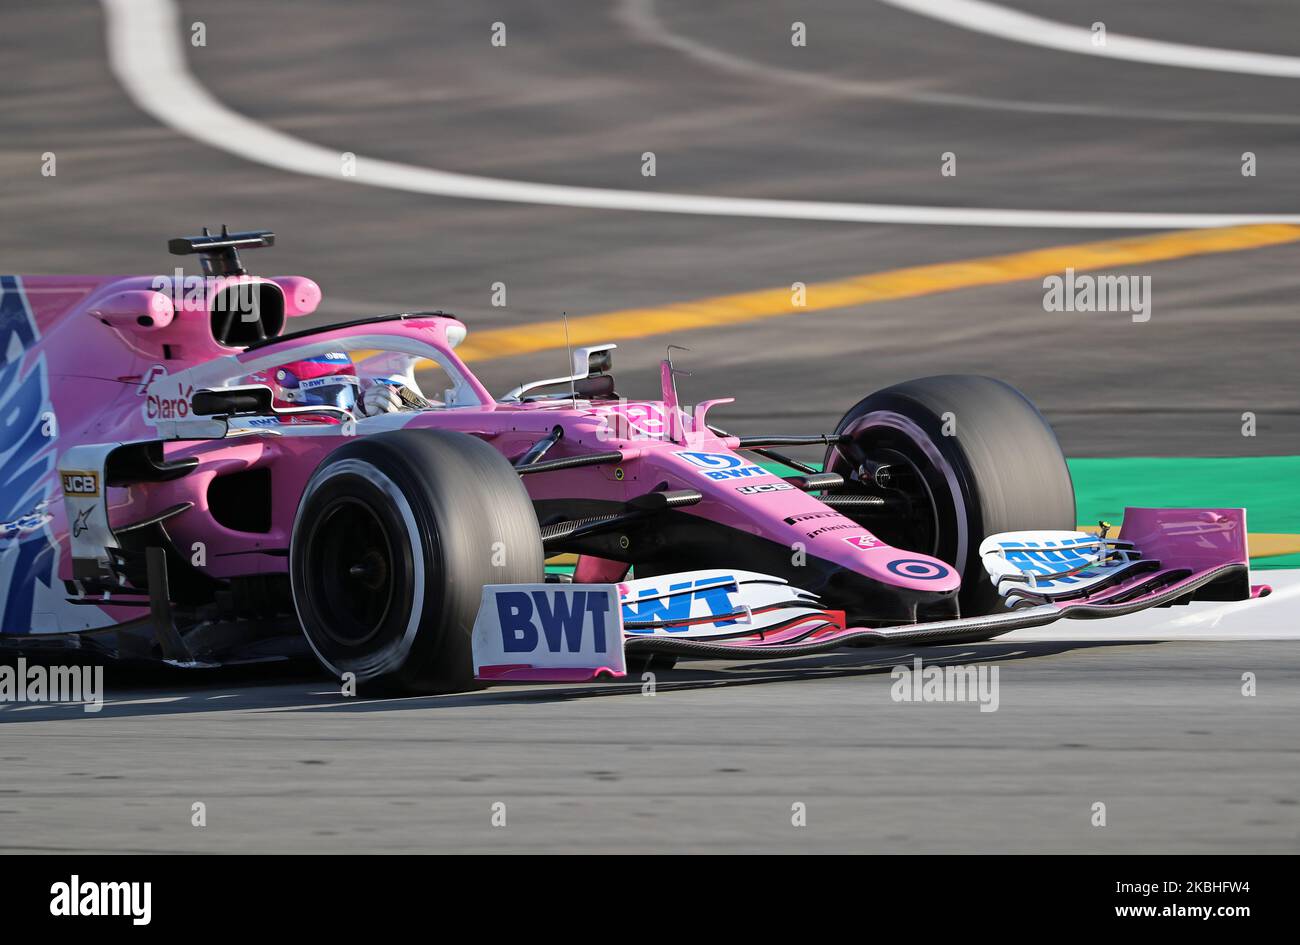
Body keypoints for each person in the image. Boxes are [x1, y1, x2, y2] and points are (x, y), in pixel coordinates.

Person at [247, 352, 429, 421]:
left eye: (347, 393)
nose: (348, 409)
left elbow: (431, 411)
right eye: (327, 394)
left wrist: (407, 403)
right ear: (287, 397)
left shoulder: (376, 398)